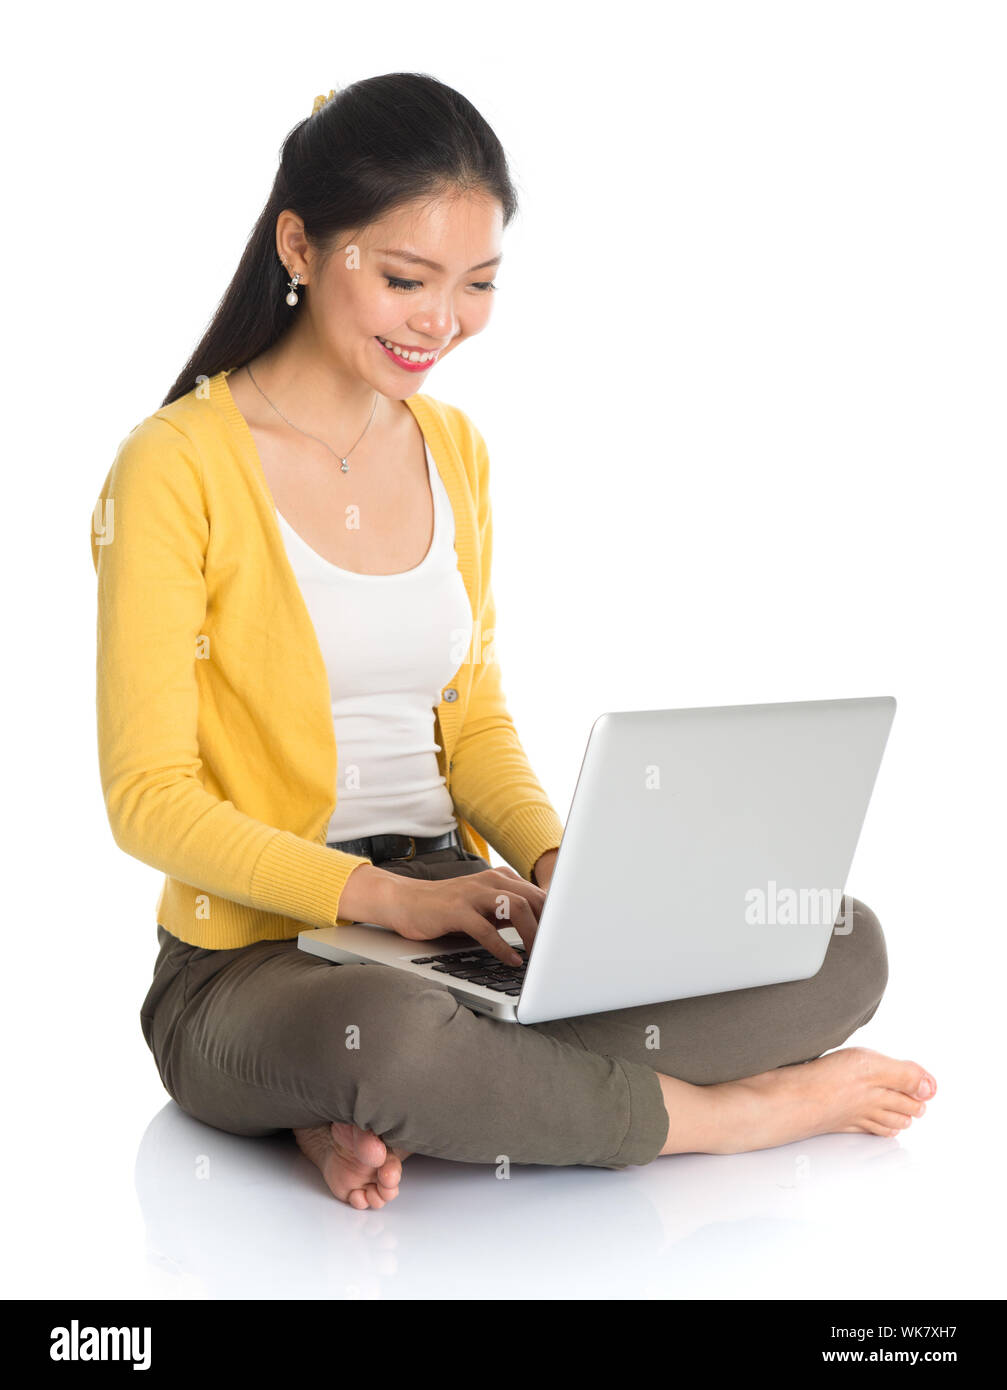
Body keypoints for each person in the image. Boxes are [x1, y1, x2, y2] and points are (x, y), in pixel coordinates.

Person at [92, 73, 935, 1211]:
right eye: (403, 279)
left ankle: (381, 1108)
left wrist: (562, 878)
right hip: (252, 963)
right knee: (391, 1036)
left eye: (477, 284)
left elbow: (473, 724)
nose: (440, 323)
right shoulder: (175, 463)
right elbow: (150, 798)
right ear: (300, 245)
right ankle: (725, 1115)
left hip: (452, 911)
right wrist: (388, 905)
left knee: (834, 941)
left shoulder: (453, 449)